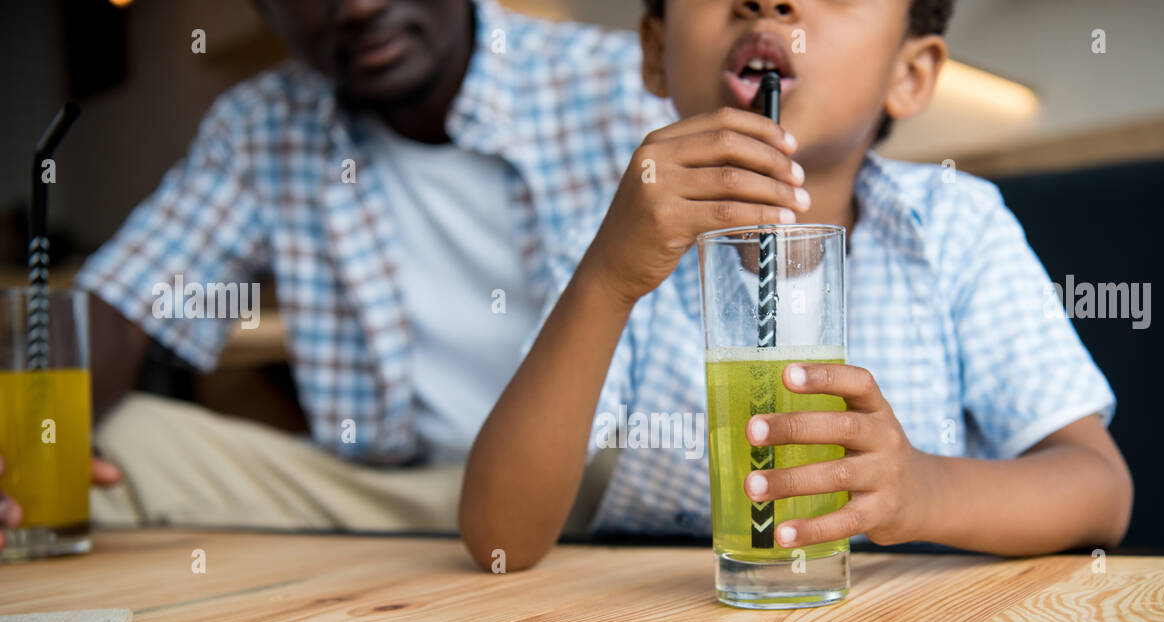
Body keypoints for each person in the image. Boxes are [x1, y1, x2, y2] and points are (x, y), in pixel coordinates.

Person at [460, 0, 1134, 570]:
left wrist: (922, 489)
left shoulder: (956, 228)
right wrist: (606, 281)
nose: (768, 2)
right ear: (656, 51)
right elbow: (498, 539)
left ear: (910, 72)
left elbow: (1100, 490)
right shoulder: (613, 242)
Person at [0, 0, 672, 552]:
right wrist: (22, 442)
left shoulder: (621, 84)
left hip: (589, 478)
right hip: (386, 496)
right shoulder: (261, 125)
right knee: (116, 443)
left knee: (641, 441)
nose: (357, 6)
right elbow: (122, 300)